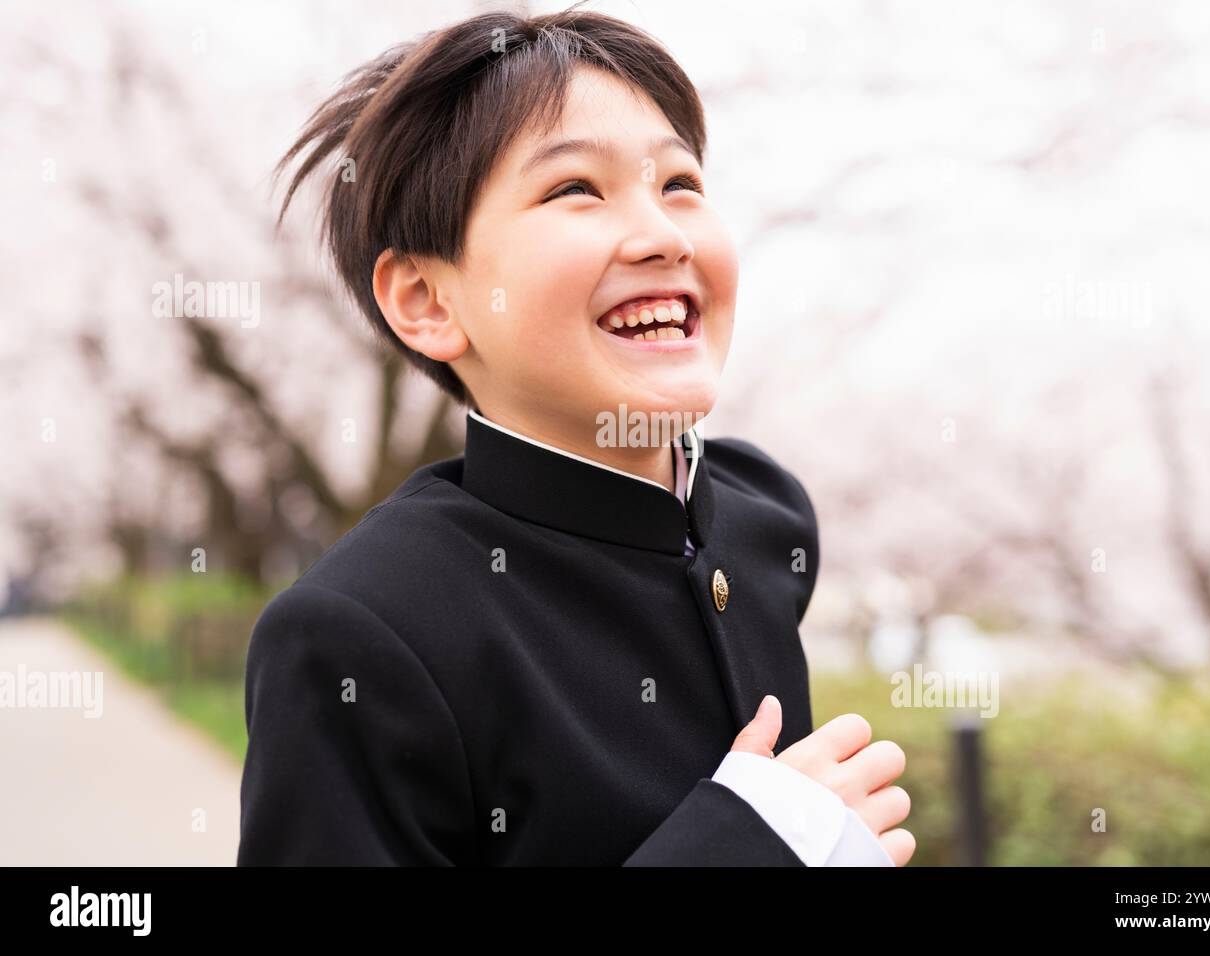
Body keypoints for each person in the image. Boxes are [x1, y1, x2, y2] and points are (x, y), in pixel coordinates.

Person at [237, 5, 915, 867]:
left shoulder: (765, 517)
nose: (663, 235)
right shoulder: (356, 635)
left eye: (680, 184)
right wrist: (745, 848)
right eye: (575, 190)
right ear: (427, 302)